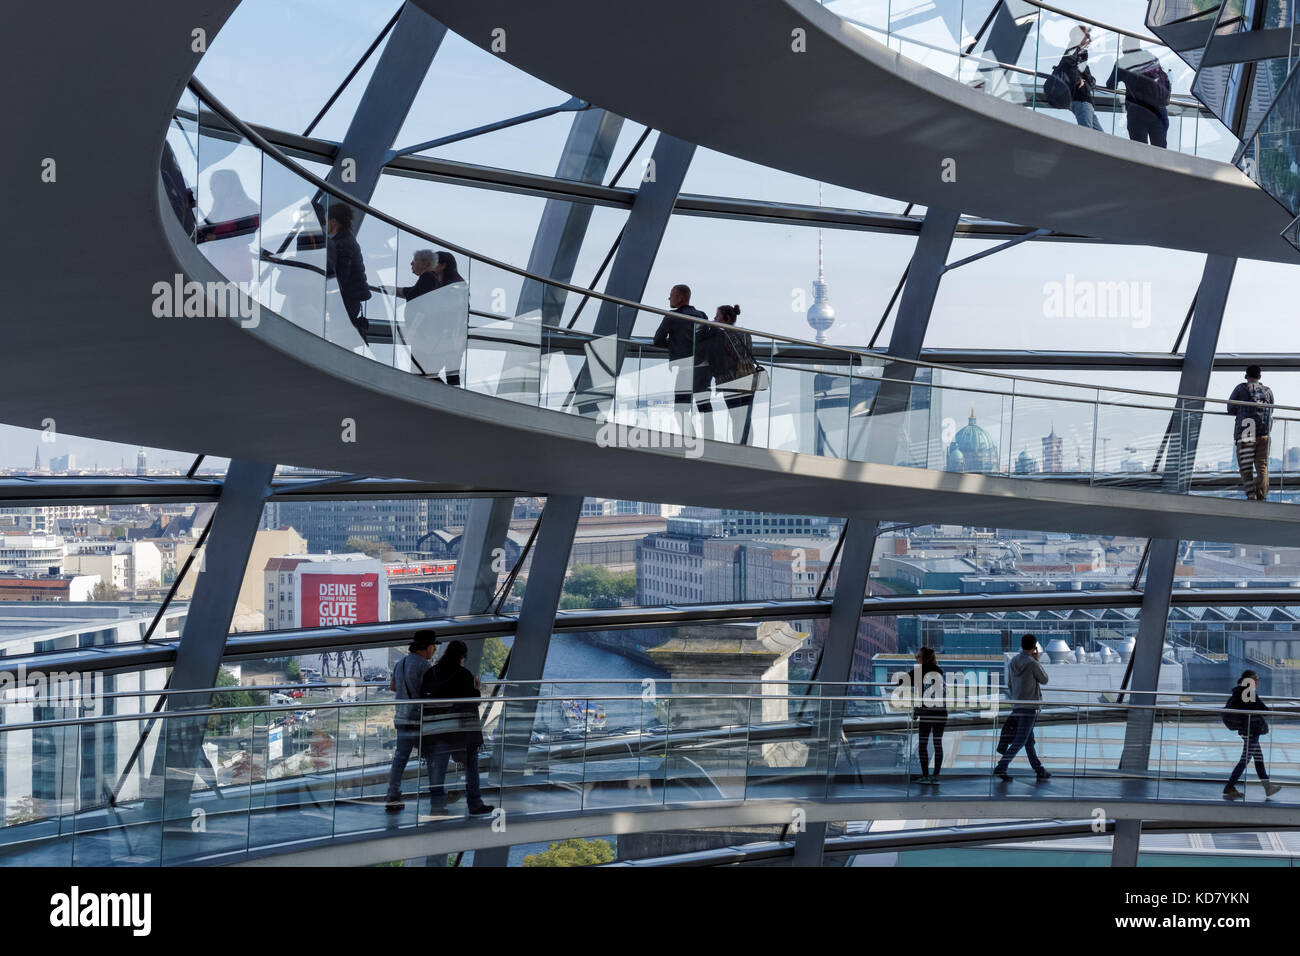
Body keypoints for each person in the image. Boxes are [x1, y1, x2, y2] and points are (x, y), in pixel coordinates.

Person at [421, 639, 494, 816]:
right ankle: (475, 803)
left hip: (437, 729)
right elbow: (471, 702)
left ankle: (437, 805)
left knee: (438, 768)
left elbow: (425, 698)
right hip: (460, 731)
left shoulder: (431, 673)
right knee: (471, 765)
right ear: (462, 657)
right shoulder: (464, 675)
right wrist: (477, 688)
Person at [383, 631, 439, 812]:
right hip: (420, 720)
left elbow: (392, 687)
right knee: (431, 758)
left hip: (401, 717)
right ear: (428, 647)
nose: (435, 650)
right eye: (433, 646)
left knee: (400, 758)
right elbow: (431, 691)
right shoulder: (425, 666)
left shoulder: (400, 663)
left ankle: (393, 796)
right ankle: (436, 796)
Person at [994, 634, 1051, 781]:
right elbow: (1044, 680)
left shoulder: (1013, 661)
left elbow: (1010, 684)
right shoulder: (1032, 663)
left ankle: (1039, 769)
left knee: (1029, 741)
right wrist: (1036, 659)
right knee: (1021, 740)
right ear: (1034, 647)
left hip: (1017, 705)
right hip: (1030, 706)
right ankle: (1001, 767)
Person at [653, 284, 710, 431]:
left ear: (681, 297)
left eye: (671, 295)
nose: (669, 299)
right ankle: (710, 442)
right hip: (704, 368)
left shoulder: (673, 316)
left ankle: (690, 440)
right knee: (704, 407)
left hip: (686, 368)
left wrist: (674, 345)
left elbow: (658, 340)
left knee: (681, 409)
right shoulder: (702, 316)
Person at [698, 304, 758, 444]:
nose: (714, 318)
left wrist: (710, 326)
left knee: (736, 417)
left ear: (727, 318)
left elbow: (714, 356)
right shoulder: (744, 333)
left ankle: (738, 447)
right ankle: (748, 447)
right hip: (748, 377)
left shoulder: (720, 334)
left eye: (717, 315)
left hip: (730, 381)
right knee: (746, 417)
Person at [1223, 670, 1282, 800]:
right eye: (1256, 679)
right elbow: (1263, 709)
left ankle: (1268, 788)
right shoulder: (1249, 692)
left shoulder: (1239, 690)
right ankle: (1229, 787)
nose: (1257, 682)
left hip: (1246, 729)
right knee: (1245, 760)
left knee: (1258, 758)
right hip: (1252, 730)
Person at [1106, 36, 1170, 148]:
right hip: (1158, 111)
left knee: (1139, 151)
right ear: (1138, 45)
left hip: (1137, 112)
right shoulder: (1153, 58)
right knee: (1161, 152)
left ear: (1125, 47)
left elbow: (1110, 85)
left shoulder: (1122, 62)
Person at [324, 203, 371, 343]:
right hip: (350, 299)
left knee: (340, 338)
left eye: (327, 220)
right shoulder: (347, 240)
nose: (325, 224)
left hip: (346, 300)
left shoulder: (342, 243)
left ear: (333, 221)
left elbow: (341, 276)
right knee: (341, 338)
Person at [1229, 365, 1274, 501]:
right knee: (1262, 466)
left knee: (1245, 466)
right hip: (1264, 434)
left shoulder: (1241, 388)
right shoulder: (1267, 391)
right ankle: (1261, 496)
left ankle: (1251, 496)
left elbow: (1230, 408)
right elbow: (1272, 409)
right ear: (1260, 377)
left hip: (1246, 434)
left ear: (1246, 376)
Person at [913, 646, 948, 785]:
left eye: (918, 656)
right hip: (940, 713)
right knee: (937, 743)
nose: (916, 659)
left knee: (923, 745)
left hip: (927, 713)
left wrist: (916, 712)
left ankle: (926, 775)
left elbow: (921, 697)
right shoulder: (938, 672)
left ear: (925, 659)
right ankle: (935, 776)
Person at [1059, 25, 1103, 132]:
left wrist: (1091, 80)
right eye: (1086, 35)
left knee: (1100, 136)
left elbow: (1082, 71)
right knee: (1087, 134)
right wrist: (1078, 80)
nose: (1089, 38)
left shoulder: (1081, 52)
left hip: (1084, 99)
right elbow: (1067, 65)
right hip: (1080, 98)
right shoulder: (1073, 48)